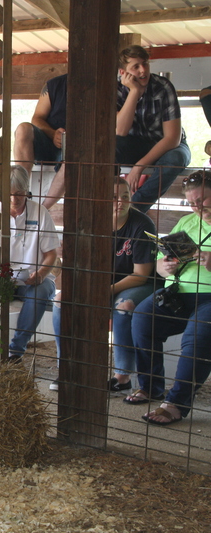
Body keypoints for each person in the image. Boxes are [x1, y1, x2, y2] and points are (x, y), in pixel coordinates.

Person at [51, 177, 157, 391]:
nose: (120, 202)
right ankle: (67, 368)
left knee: (124, 305)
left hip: (135, 283)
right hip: (100, 282)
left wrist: (105, 291)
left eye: (125, 197)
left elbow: (141, 275)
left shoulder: (141, 224)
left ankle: (122, 377)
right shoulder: (91, 222)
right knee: (62, 299)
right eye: (113, 197)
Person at [124, 170, 211, 425]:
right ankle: (151, 386)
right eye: (192, 202)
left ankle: (176, 402)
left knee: (198, 335)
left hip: (209, 298)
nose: (197, 206)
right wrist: (164, 267)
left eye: (203, 200)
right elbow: (162, 263)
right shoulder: (186, 223)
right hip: (177, 294)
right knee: (142, 317)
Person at [0, 165, 59, 362]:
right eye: (9, 193)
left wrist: (40, 274)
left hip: (34, 278)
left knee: (40, 292)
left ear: (27, 191)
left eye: (20, 193)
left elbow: (51, 255)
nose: (15, 199)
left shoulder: (40, 213)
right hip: (2, 277)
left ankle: (16, 350)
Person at [116, 45, 191, 213]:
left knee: (175, 160)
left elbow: (172, 138)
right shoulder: (116, 90)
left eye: (145, 64)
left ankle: (134, 210)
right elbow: (120, 131)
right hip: (136, 143)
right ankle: (111, 202)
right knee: (108, 149)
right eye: (136, 67)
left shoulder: (163, 87)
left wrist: (140, 166)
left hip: (169, 144)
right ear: (123, 72)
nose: (143, 70)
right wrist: (134, 92)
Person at [13, 73, 68, 210]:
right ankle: (21, 190)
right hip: (49, 142)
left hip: (76, 149)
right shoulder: (54, 85)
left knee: (74, 159)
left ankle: (43, 209)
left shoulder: (99, 85)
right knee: (23, 128)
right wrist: (53, 133)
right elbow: (37, 118)